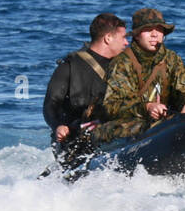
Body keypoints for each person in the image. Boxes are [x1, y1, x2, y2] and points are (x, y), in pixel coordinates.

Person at [94, 8, 185, 142]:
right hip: (125, 127)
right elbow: (111, 106)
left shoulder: (171, 59)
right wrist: (147, 107)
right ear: (136, 35)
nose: (154, 34)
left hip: (162, 124)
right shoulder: (122, 63)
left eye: (159, 29)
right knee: (141, 126)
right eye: (147, 29)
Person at [43, 13, 129, 155]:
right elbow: (50, 104)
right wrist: (58, 126)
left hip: (112, 138)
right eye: (123, 38)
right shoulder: (69, 67)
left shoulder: (123, 68)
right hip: (76, 141)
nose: (126, 43)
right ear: (108, 38)